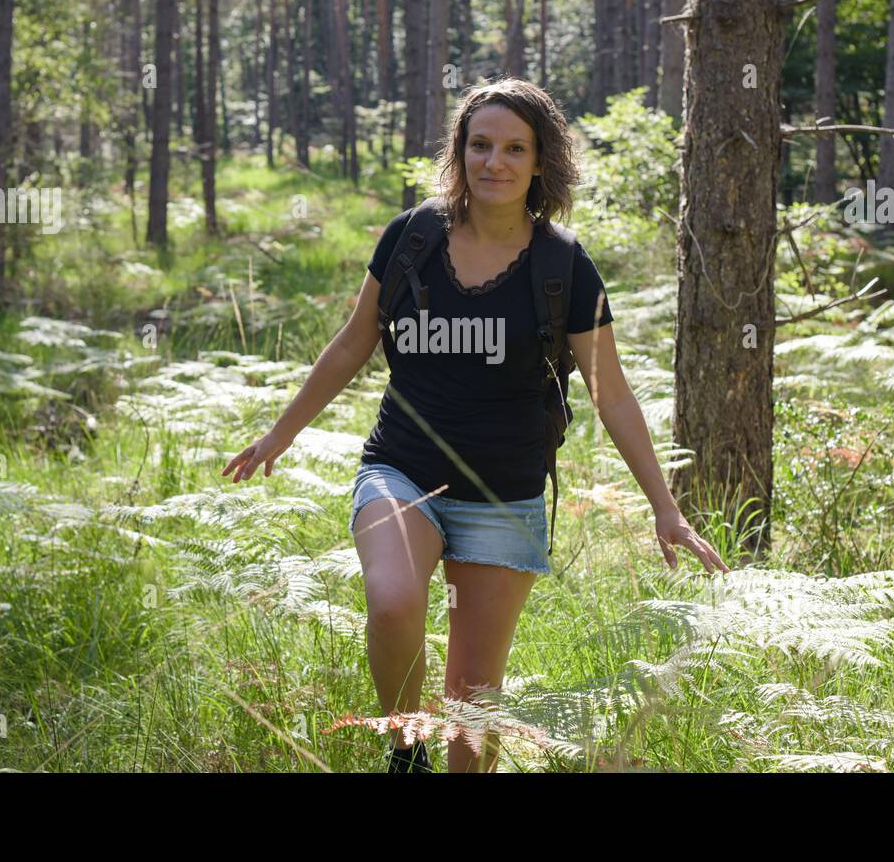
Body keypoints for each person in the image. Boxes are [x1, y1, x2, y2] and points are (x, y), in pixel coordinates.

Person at [222, 77, 729, 774]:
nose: (495, 162)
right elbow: (352, 342)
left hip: (505, 493)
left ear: (541, 162)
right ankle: (405, 747)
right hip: (402, 470)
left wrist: (664, 508)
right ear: (459, 153)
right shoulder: (413, 237)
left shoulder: (563, 266)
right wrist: (280, 433)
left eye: (514, 148)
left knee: (473, 709)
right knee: (395, 599)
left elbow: (611, 394)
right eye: (480, 144)